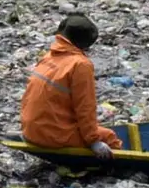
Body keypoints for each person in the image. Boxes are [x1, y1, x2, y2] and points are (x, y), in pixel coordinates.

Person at [19, 12, 121, 158]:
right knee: (109, 136)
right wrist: (93, 141)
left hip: (30, 131)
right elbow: (85, 107)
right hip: (52, 135)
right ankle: (116, 169)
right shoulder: (80, 64)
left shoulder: (49, 56)